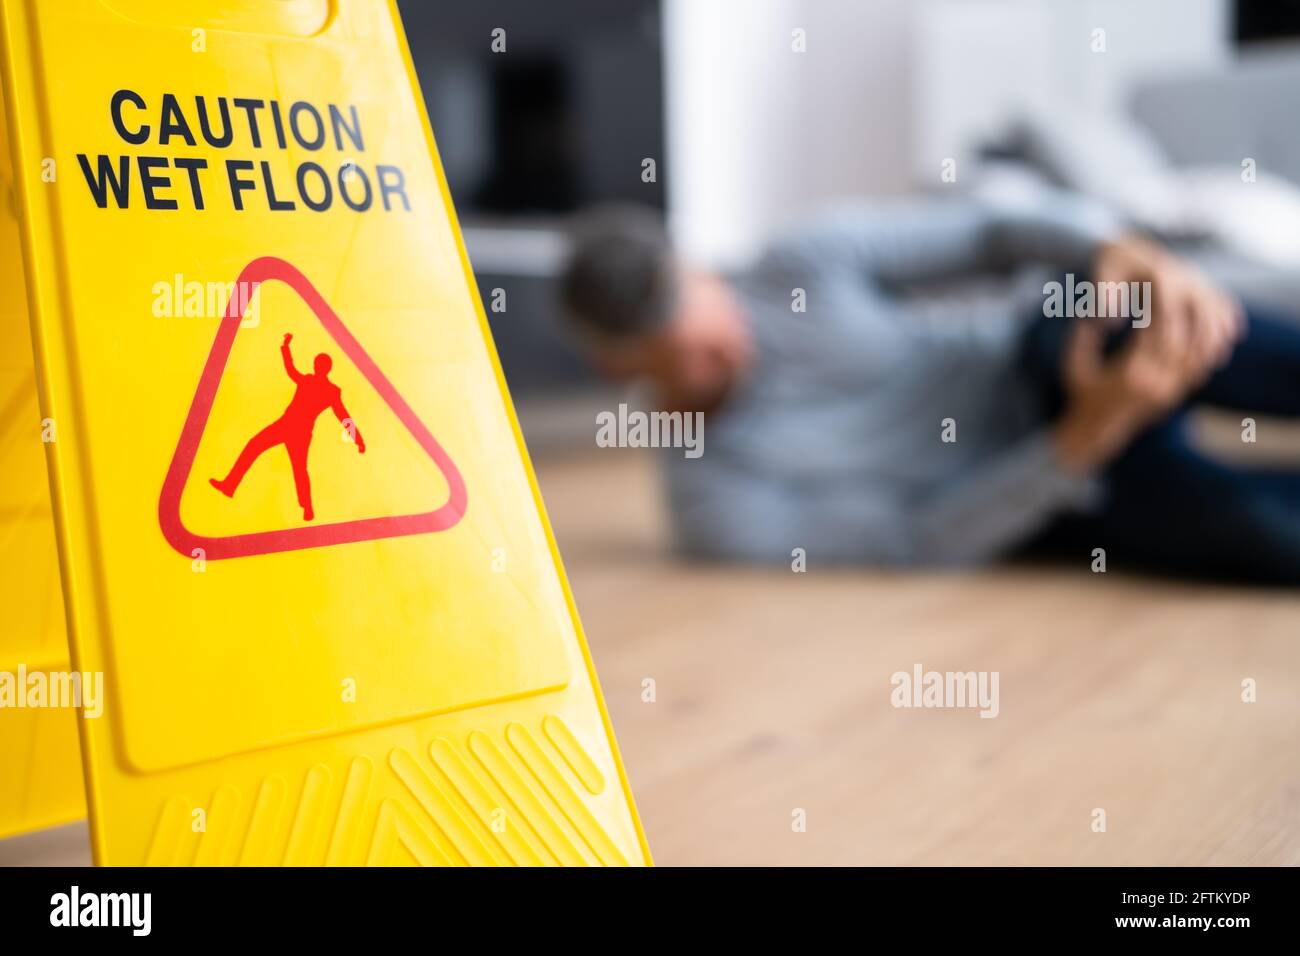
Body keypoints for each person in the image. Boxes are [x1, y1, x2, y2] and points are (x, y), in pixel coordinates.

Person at [558, 197, 1300, 584]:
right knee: (1258, 530)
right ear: (622, 373)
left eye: (708, 304)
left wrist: (1122, 251)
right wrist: (1086, 437)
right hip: (1043, 491)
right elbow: (914, 541)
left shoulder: (798, 261)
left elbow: (988, 234)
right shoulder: (713, 503)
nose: (729, 341)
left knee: (1168, 315)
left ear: (697, 268)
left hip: (1039, 352)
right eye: (694, 356)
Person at [210, 333, 365, 521]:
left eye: (318, 364)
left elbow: (291, 370)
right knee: (286, 463)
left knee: (273, 456)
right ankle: (304, 507)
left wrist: (286, 346)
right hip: (295, 429)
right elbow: (343, 417)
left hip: (290, 426)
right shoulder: (331, 390)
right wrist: (358, 440)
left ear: (320, 367)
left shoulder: (312, 382)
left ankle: (305, 506)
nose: (316, 366)